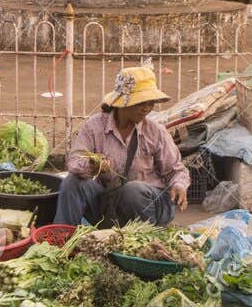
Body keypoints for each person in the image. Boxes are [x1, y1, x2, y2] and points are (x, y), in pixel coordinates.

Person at [55, 66, 188, 227]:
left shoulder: (155, 132)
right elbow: (74, 160)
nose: (146, 108)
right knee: (72, 182)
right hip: (110, 206)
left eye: (150, 103)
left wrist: (179, 186)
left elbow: (176, 171)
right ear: (122, 103)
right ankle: (61, 237)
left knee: (132, 191)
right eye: (141, 103)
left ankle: (144, 244)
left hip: (150, 206)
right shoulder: (94, 127)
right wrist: (92, 165)